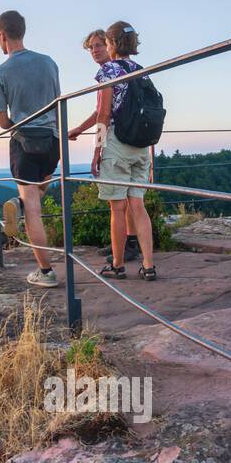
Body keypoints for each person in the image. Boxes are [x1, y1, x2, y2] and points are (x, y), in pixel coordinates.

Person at [69, 21, 157, 280]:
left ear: (113, 44)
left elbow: (105, 113)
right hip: (140, 145)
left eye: (103, 43)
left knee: (117, 208)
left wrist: (97, 150)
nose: (100, 48)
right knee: (138, 206)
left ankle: (117, 265)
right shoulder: (140, 70)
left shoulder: (108, 71)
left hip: (117, 144)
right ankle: (149, 266)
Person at [0, 9, 62, 288]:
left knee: (32, 206)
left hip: (24, 142)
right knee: (42, 186)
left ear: (2, 36)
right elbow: (57, 102)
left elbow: (2, 120)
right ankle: (19, 203)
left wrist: (16, 127)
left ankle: (45, 273)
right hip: (52, 140)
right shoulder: (49, 63)